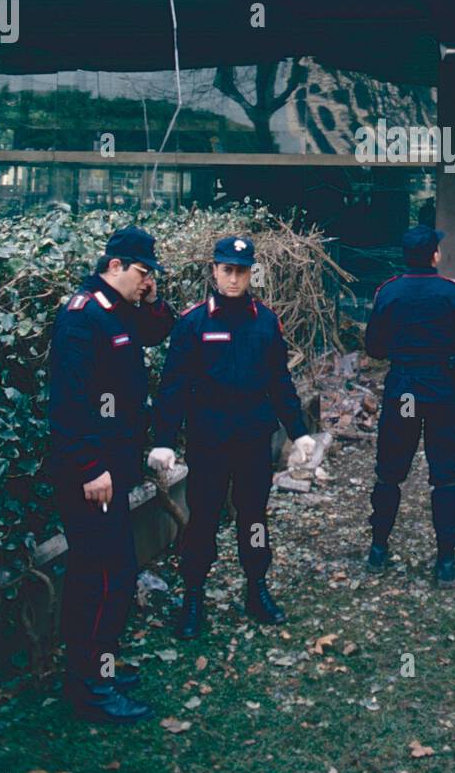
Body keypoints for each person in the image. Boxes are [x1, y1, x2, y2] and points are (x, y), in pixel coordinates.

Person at [149, 236, 315, 637]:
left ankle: (256, 589)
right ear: (214, 271)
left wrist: (299, 433)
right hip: (209, 440)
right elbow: (173, 386)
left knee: (253, 518)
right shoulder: (194, 322)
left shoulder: (265, 321)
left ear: (250, 272)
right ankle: (193, 598)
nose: (234, 278)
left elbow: (280, 381)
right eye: (227, 270)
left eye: (241, 270)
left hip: (254, 440)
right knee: (203, 519)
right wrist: (165, 440)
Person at [48, 225, 175, 723]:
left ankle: (98, 667)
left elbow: (158, 331)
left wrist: (152, 296)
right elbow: (68, 402)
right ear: (115, 265)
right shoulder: (83, 317)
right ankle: (91, 688)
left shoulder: (119, 308)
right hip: (92, 475)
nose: (146, 281)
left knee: (111, 572)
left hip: (111, 468)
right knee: (102, 577)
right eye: (143, 272)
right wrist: (90, 466)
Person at [364, 225, 455, 586]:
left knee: (390, 471)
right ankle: (445, 561)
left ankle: (378, 548)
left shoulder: (389, 293)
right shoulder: (453, 294)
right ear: (435, 255)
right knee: (445, 476)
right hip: (442, 392)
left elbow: (374, 347)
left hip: (404, 391)